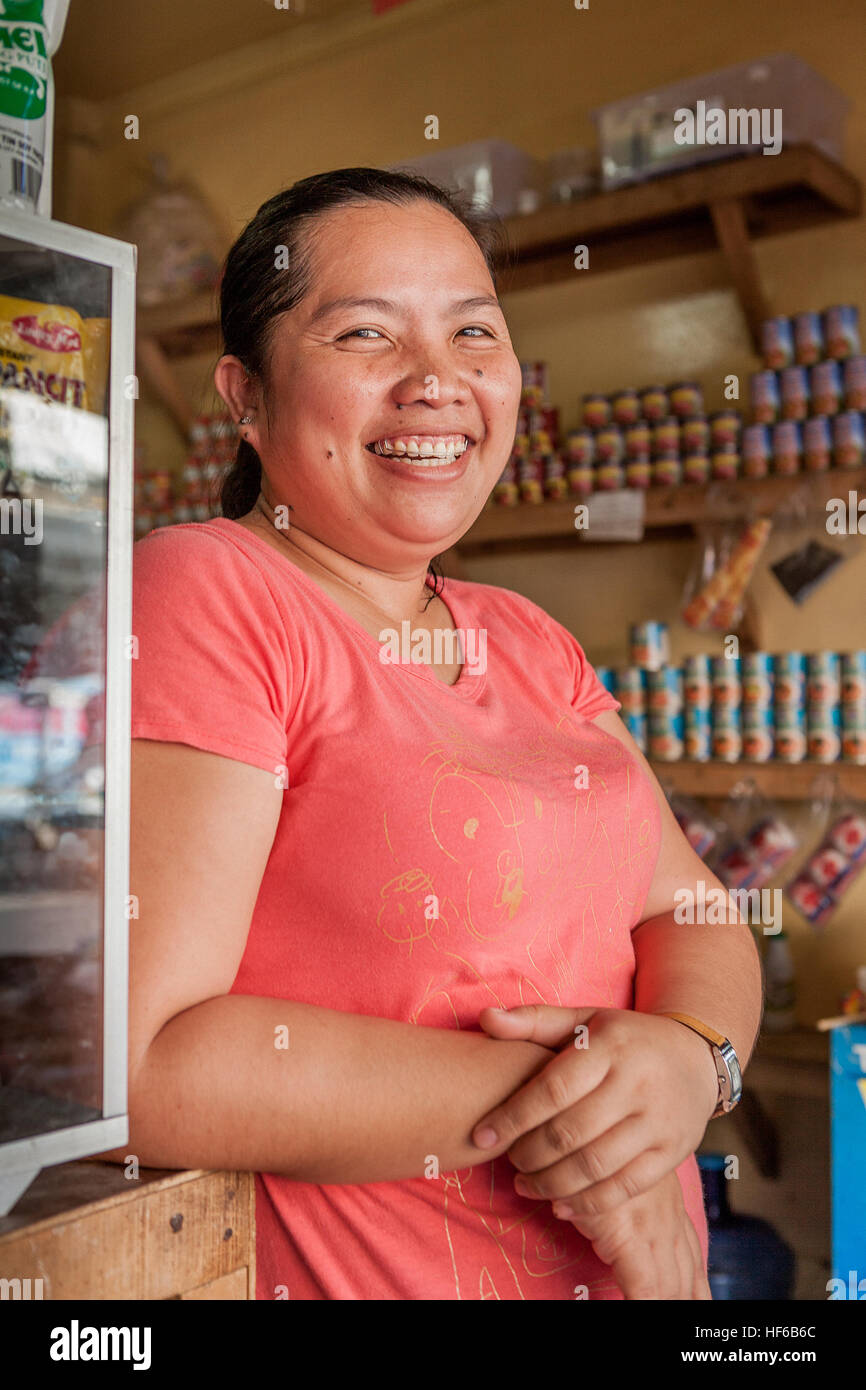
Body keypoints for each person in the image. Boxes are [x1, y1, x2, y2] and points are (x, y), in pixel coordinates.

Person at [111, 167, 762, 1301]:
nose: (437, 381)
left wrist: (688, 1057)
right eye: (365, 333)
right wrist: (580, 1101)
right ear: (245, 397)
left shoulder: (527, 637)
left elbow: (687, 906)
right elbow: (147, 1063)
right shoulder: (206, 589)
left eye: (474, 332)